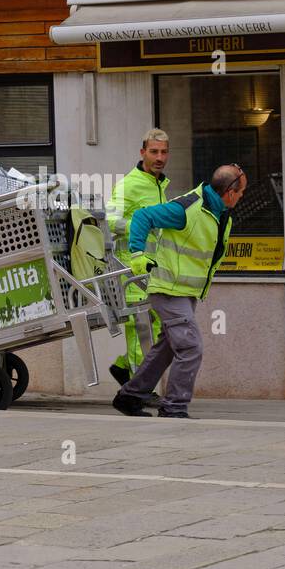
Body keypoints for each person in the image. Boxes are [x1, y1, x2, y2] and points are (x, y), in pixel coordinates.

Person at [111, 164, 246, 419]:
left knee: (168, 346)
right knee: (190, 346)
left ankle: (130, 397)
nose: (241, 198)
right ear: (229, 191)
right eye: (241, 193)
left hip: (184, 290)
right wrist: (138, 254)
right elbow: (142, 217)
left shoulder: (219, 213)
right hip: (168, 289)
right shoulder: (188, 208)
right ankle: (174, 407)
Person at [104, 128, 171, 387]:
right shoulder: (130, 184)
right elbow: (109, 222)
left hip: (150, 272)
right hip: (130, 270)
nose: (159, 157)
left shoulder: (159, 184)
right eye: (154, 151)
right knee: (141, 331)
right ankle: (137, 386)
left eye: (164, 152)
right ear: (143, 152)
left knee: (152, 329)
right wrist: (140, 224)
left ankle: (124, 369)